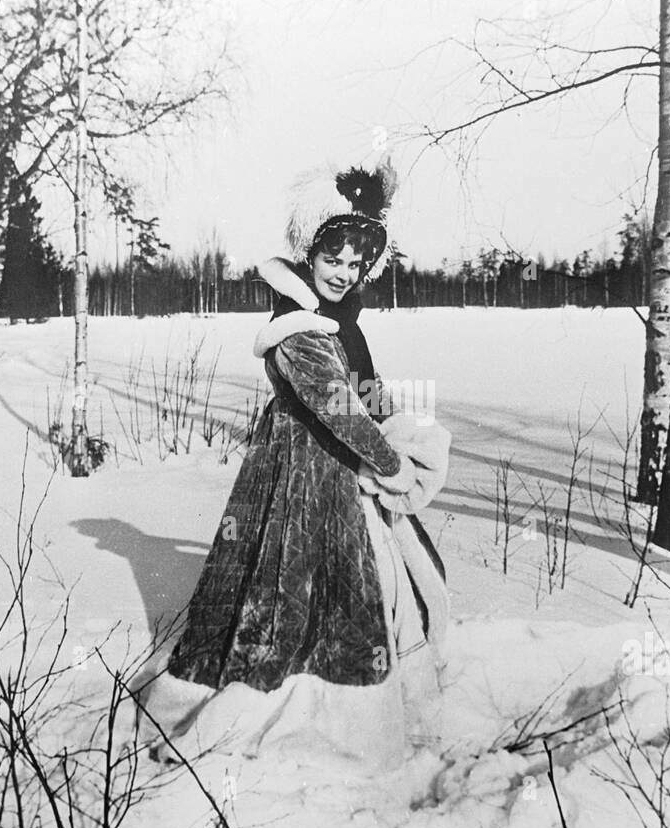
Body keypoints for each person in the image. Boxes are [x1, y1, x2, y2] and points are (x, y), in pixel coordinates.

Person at [143, 160, 452, 772]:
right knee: (297, 583)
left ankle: (334, 697)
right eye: (333, 256)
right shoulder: (299, 330)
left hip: (334, 471)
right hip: (302, 474)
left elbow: (365, 391)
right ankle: (329, 715)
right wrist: (393, 466)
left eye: (355, 262)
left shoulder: (339, 325)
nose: (344, 271)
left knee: (342, 583)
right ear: (311, 252)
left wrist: (397, 424)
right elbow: (340, 412)